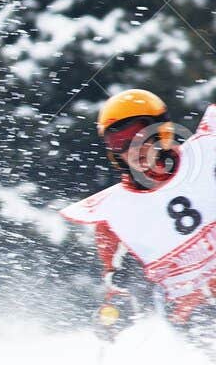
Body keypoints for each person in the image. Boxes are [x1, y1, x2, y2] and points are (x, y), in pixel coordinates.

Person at [61, 89, 216, 343]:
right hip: (195, 314)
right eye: (118, 142)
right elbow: (123, 285)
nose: (131, 148)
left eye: (138, 134)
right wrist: (116, 311)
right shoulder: (113, 213)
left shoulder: (206, 152)